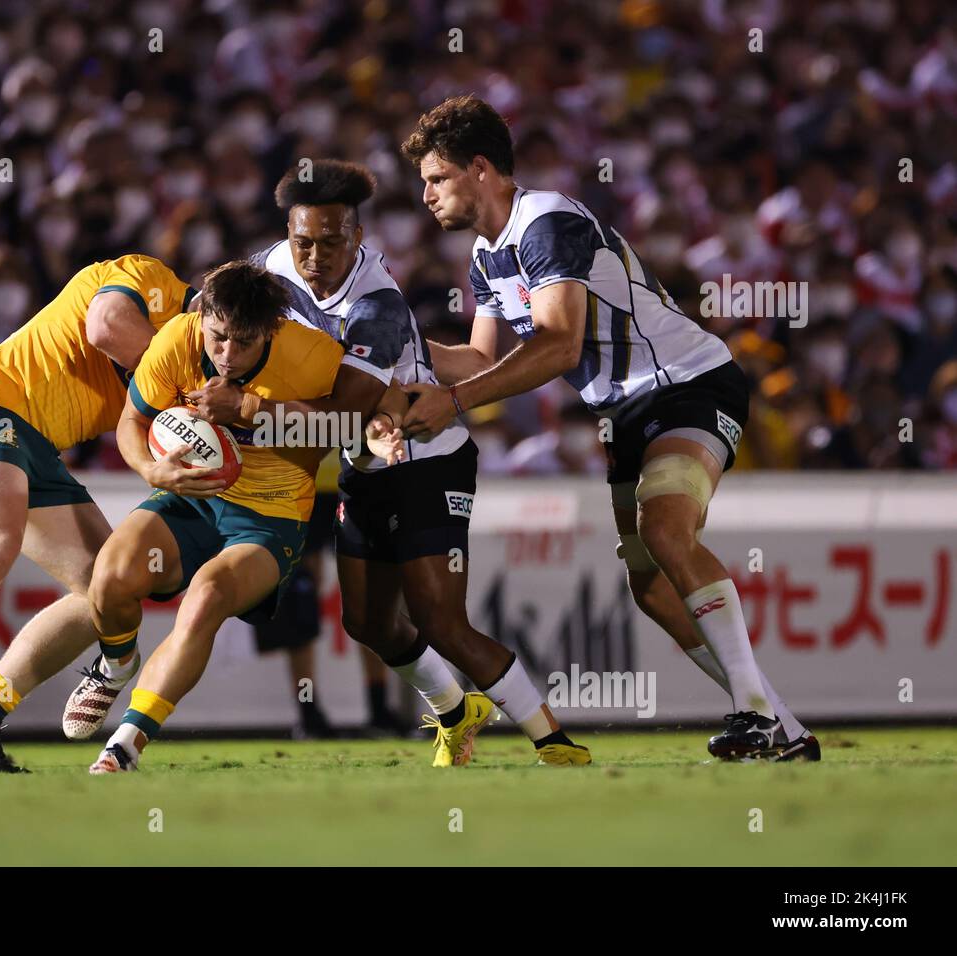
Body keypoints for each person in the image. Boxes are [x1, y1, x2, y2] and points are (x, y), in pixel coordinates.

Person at [399, 95, 818, 761]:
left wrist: (452, 403)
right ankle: (783, 727)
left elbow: (559, 346)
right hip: (627, 412)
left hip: (690, 384)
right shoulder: (486, 255)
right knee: (650, 584)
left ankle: (757, 713)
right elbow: (477, 358)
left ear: (481, 168)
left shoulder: (547, 221)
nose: (425, 195)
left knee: (664, 529)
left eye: (436, 178)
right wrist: (391, 341)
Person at [224, 159, 589, 766]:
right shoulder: (271, 266)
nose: (313, 258)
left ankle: (552, 740)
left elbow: (341, 415)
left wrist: (246, 408)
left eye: (331, 243)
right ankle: (454, 709)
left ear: (357, 238)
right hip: (365, 466)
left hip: (428, 460)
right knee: (367, 623)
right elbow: (214, 313)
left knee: (439, 620)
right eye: (302, 242)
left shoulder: (379, 307)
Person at [0, 254, 196, 771]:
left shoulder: (202, 369)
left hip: (38, 445)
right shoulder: (150, 278)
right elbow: (106, 324)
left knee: (107, 588)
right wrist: (173, 389)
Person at [77, 260, 395, 772]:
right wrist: (152, 472)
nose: (226, 354)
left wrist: (251, 407)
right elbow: (132, 421)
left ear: (272, 330)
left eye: (244, 343)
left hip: (270, 516)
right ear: (203, 317)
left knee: (206, 599)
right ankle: (116, 664)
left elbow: (353, 419)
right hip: (187, 495)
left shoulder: (311, 354)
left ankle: (125, 744)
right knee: (110, 577)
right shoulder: (178, 338)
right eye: (218, 338)